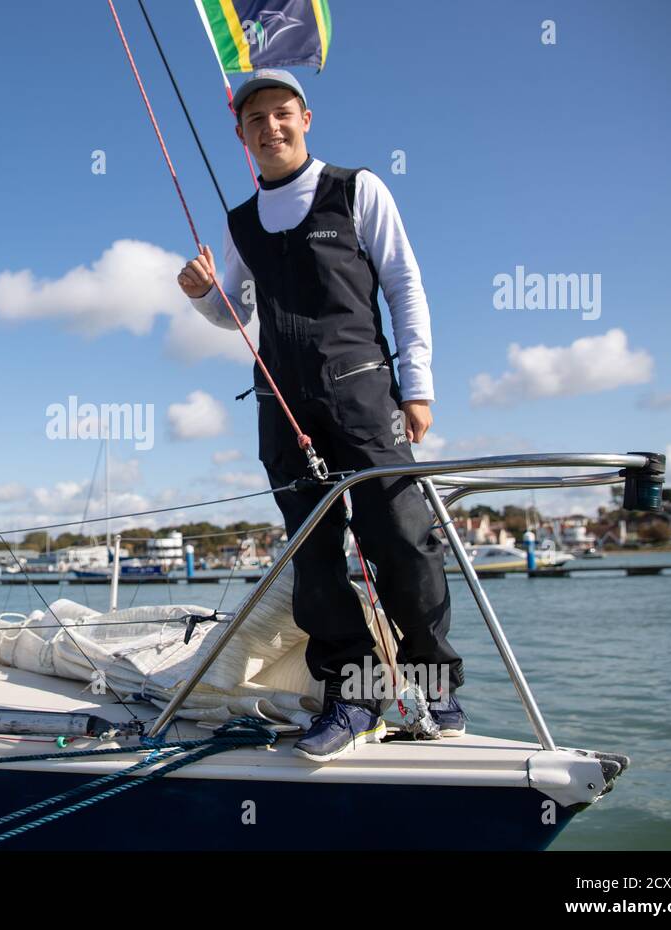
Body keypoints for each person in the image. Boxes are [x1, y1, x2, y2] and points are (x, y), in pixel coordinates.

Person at [176, 69, 465, 762]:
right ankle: (351, 694)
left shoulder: (357, 190)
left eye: (282, 114)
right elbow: (235, 315)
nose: (270, 127)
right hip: (281, 404)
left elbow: (404, 285)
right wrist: (204, 296)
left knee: (401, 537)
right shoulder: (242, 220)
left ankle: (431, 681)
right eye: (255, 120)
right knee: (314, 558)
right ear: (241, 135)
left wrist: (416, 386)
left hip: (363, 395)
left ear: (305, 118)